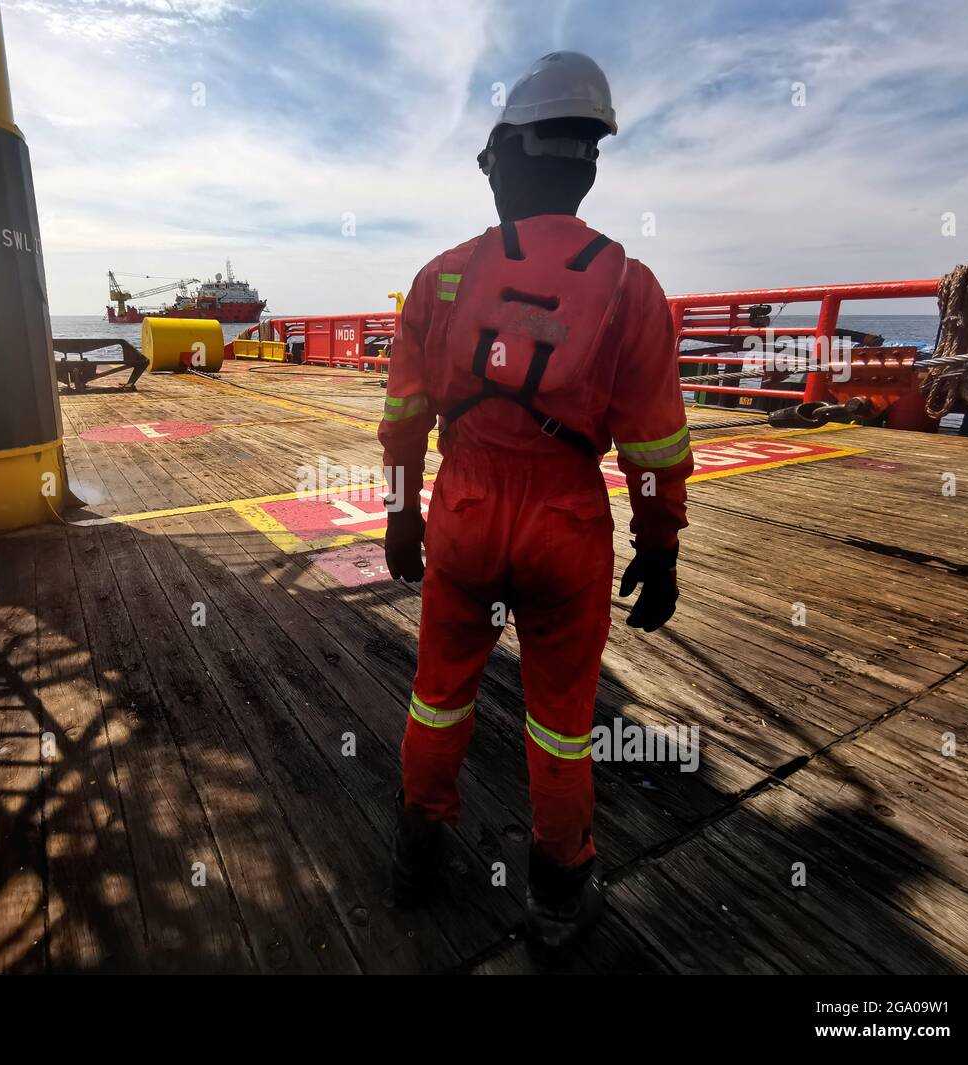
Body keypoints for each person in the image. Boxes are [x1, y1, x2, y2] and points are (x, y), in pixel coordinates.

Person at [378, 51, 694, 960]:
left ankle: (417, 850)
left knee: (439, 693)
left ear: (506, 161)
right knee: (560, 718)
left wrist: (404, 515)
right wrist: (661, 545)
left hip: (467, 506)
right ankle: (559, 893)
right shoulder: (631, 289)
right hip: (566, 521)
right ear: (588, 164)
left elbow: (403, 420)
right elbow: (655, 445)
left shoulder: (441, 277)